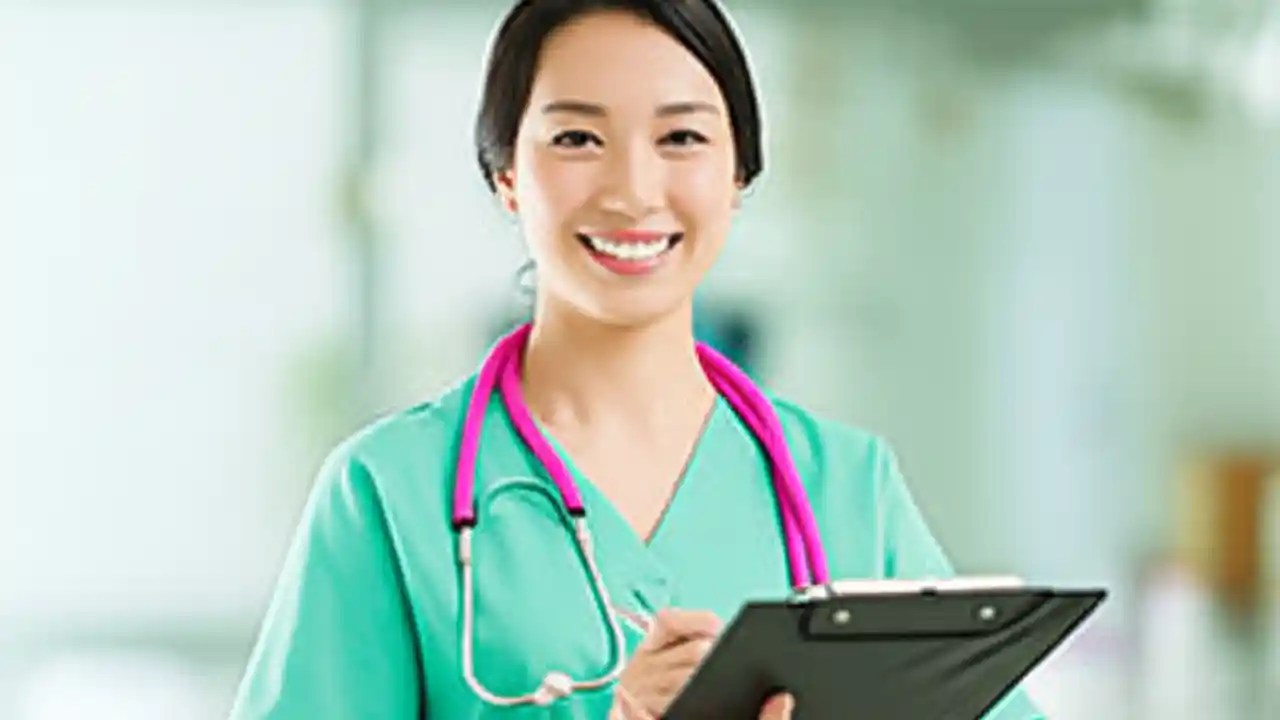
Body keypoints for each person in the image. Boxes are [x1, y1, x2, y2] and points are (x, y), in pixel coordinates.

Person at [230, 1, 1045, 718]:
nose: (632, 189)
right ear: (507, 174)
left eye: (682, 136)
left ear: (738, 175)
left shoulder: (847, 489)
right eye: (578, 137)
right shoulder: (391, 493)